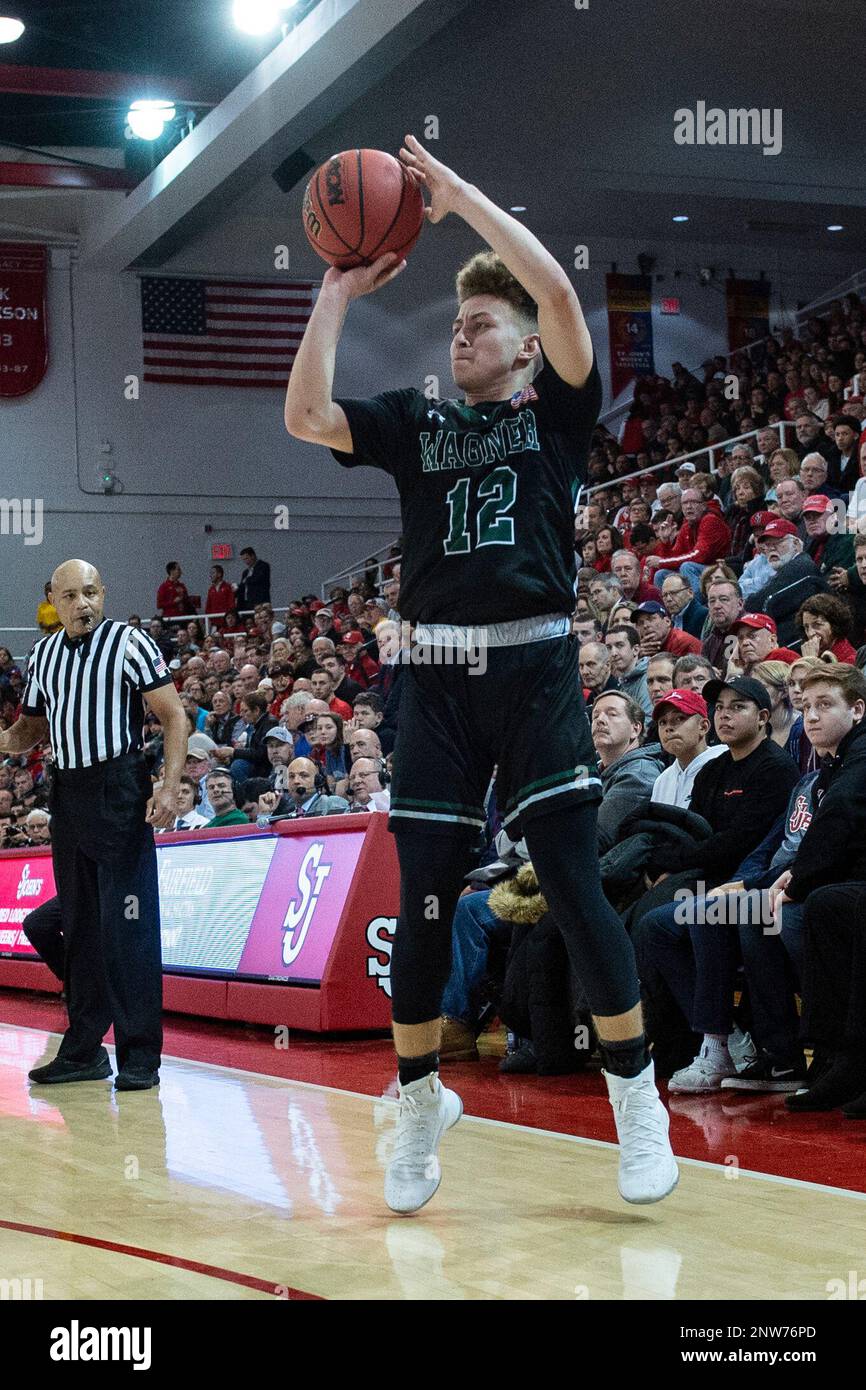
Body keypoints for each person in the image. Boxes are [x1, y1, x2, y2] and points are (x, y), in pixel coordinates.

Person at [284, 134, 678, 1210]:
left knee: (571, 886)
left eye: (480, 324)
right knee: (419, 903)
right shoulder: (414, 424)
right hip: (437, 681)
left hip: (537, 665)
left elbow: (550, 285)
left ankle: (634, 1098)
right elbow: (305, 413)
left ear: (522, 350)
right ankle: (415, 1103)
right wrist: (333, 287)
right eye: (454, 323)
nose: (461, 331)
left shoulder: (553, 416)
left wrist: (461, 202)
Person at [3, 559, 187, 1091]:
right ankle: (83, 1050)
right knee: (80, 926)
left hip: (118, 788)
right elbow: (28, 731)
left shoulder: (128, 643)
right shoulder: (43, 656)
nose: (83, 604)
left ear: (102, 593)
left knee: (127, 926)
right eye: (71, 596)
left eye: (90, 593)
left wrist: (168, 784)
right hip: (67, 793)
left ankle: (139, 1055)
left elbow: (173, 715)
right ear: (52, 602)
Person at [650, 689, 726, 808]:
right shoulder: (662, 781)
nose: (668, 728)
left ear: (703, 726)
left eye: (679, 718)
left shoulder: (725, 765)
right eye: (662, 722)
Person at [604, 625, 651, 714]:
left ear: (636, 650)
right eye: (609, 648)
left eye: (619, 645)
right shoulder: (618, 681)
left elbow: (647, 721)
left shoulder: (648, 679)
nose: (613, 653)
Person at [633, 601, 702, 659]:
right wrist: (638, 659)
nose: (645, 626)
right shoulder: (641, 649)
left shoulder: (683, 643)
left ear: (667, 621)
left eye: (651, 619)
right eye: (640, 623)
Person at [660, 574, 708, 640]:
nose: (668, 599)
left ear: (690, 593)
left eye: (674, 593)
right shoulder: (667, 620)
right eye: (665, 595)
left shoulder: (703, 615)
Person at [579, 640, 619, 711]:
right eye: (581, 666)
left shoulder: (620, 697)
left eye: (591, 665)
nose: (585, 672)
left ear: (607, 665)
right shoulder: (592, 697)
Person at [205, 565, 235, 630]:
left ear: (219, 574)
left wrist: (228, 618)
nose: (210, 575)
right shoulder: (211, 589)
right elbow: (208, 606)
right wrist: (209, 619)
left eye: (213, 573)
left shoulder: (228, 587)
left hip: (225, 622)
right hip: (214, 623)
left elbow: (231, 604)